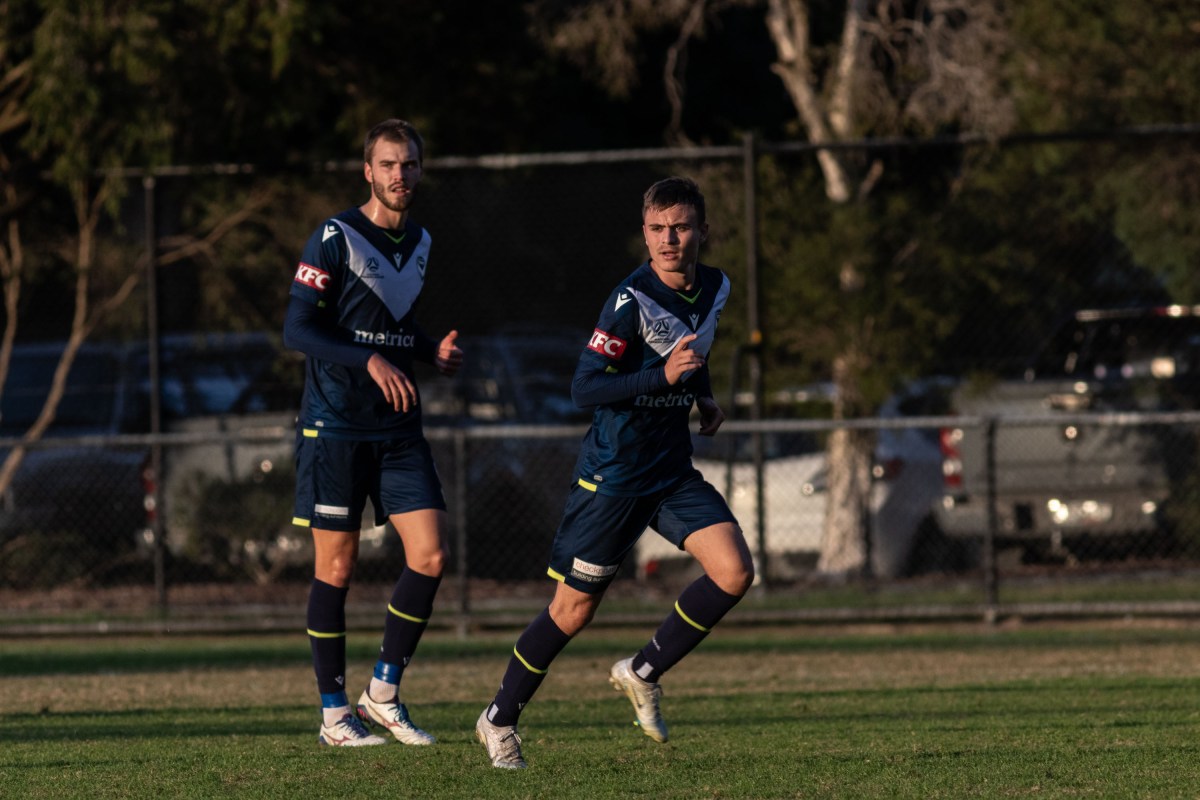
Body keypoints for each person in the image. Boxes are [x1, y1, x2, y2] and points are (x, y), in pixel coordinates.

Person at [475, 176, 754, 769]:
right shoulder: (629, 301)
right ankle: (499, 718)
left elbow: (693, 347)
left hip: (671, 472)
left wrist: (702, 396)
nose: (668, 239)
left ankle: (642, 670)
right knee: (572, 611)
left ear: (703, 231)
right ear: (645, 235)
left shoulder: (717, 286)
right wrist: (664, 379)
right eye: (657, 229)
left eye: (680, 227)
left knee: (733, 572)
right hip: (613, 476)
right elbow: (585, 388)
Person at [283, 119, 463, 748]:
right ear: (367, 170)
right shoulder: (335, 237)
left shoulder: (420, 242)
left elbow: (390, 329)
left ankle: (382, 694)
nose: (399, 175)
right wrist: (369, 360)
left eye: (409, 164)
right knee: (338, 565)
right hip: (335, 426)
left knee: (431, 555)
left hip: (398, 426)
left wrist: (427, 352)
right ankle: (335, 715)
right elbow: (298, 330)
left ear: (420, 170)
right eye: (388, 164)